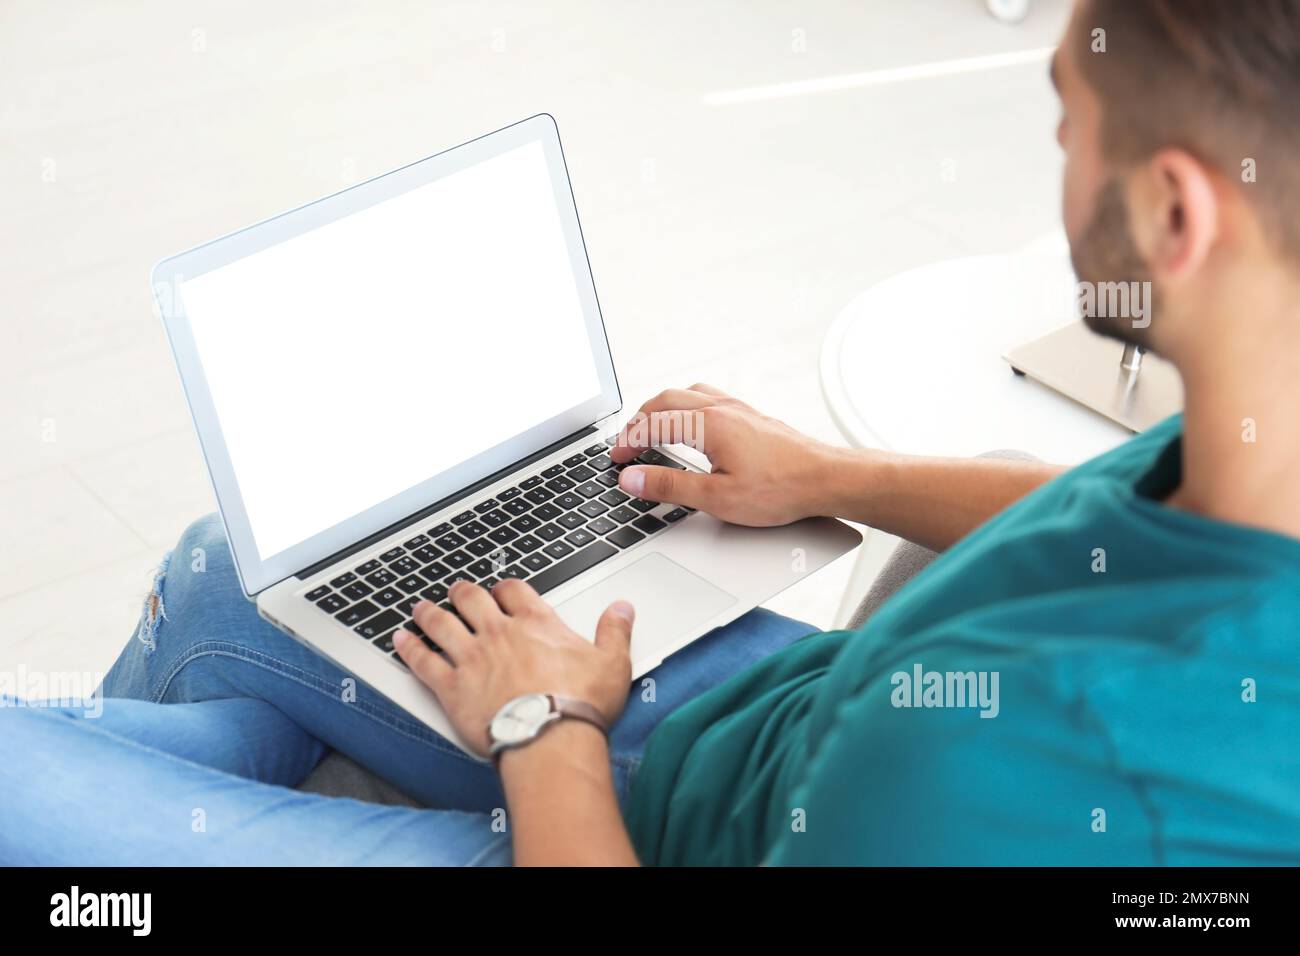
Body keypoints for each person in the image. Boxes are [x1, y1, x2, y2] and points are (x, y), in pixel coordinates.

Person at [3, 0, 1299, 865]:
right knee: (232, 578)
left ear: (1178, 217)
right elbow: (1092, 522)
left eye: (1071, 115)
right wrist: (821, 472)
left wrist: (544, 730)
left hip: (630, 822)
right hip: (753, 721)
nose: (1059, 147)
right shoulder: (1256, 452)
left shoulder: (1019, 770)